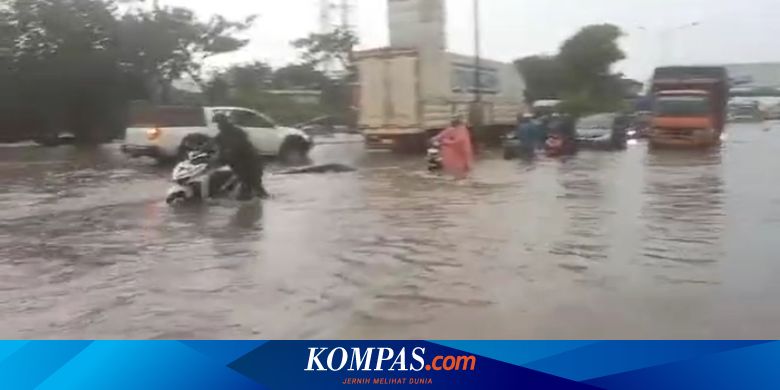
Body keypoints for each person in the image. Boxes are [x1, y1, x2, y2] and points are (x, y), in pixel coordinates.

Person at [212, 113, 269, 200]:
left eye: (219, 124)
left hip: (250, 164)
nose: (218, 126)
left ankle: (253, 206)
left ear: (224, 123)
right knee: (251, 188)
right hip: (240, 165)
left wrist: (222, 156)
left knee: (252, 187)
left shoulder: (237, 133)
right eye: (217, 124)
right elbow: (213, 144)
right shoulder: (221, 136)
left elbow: (236, 148)